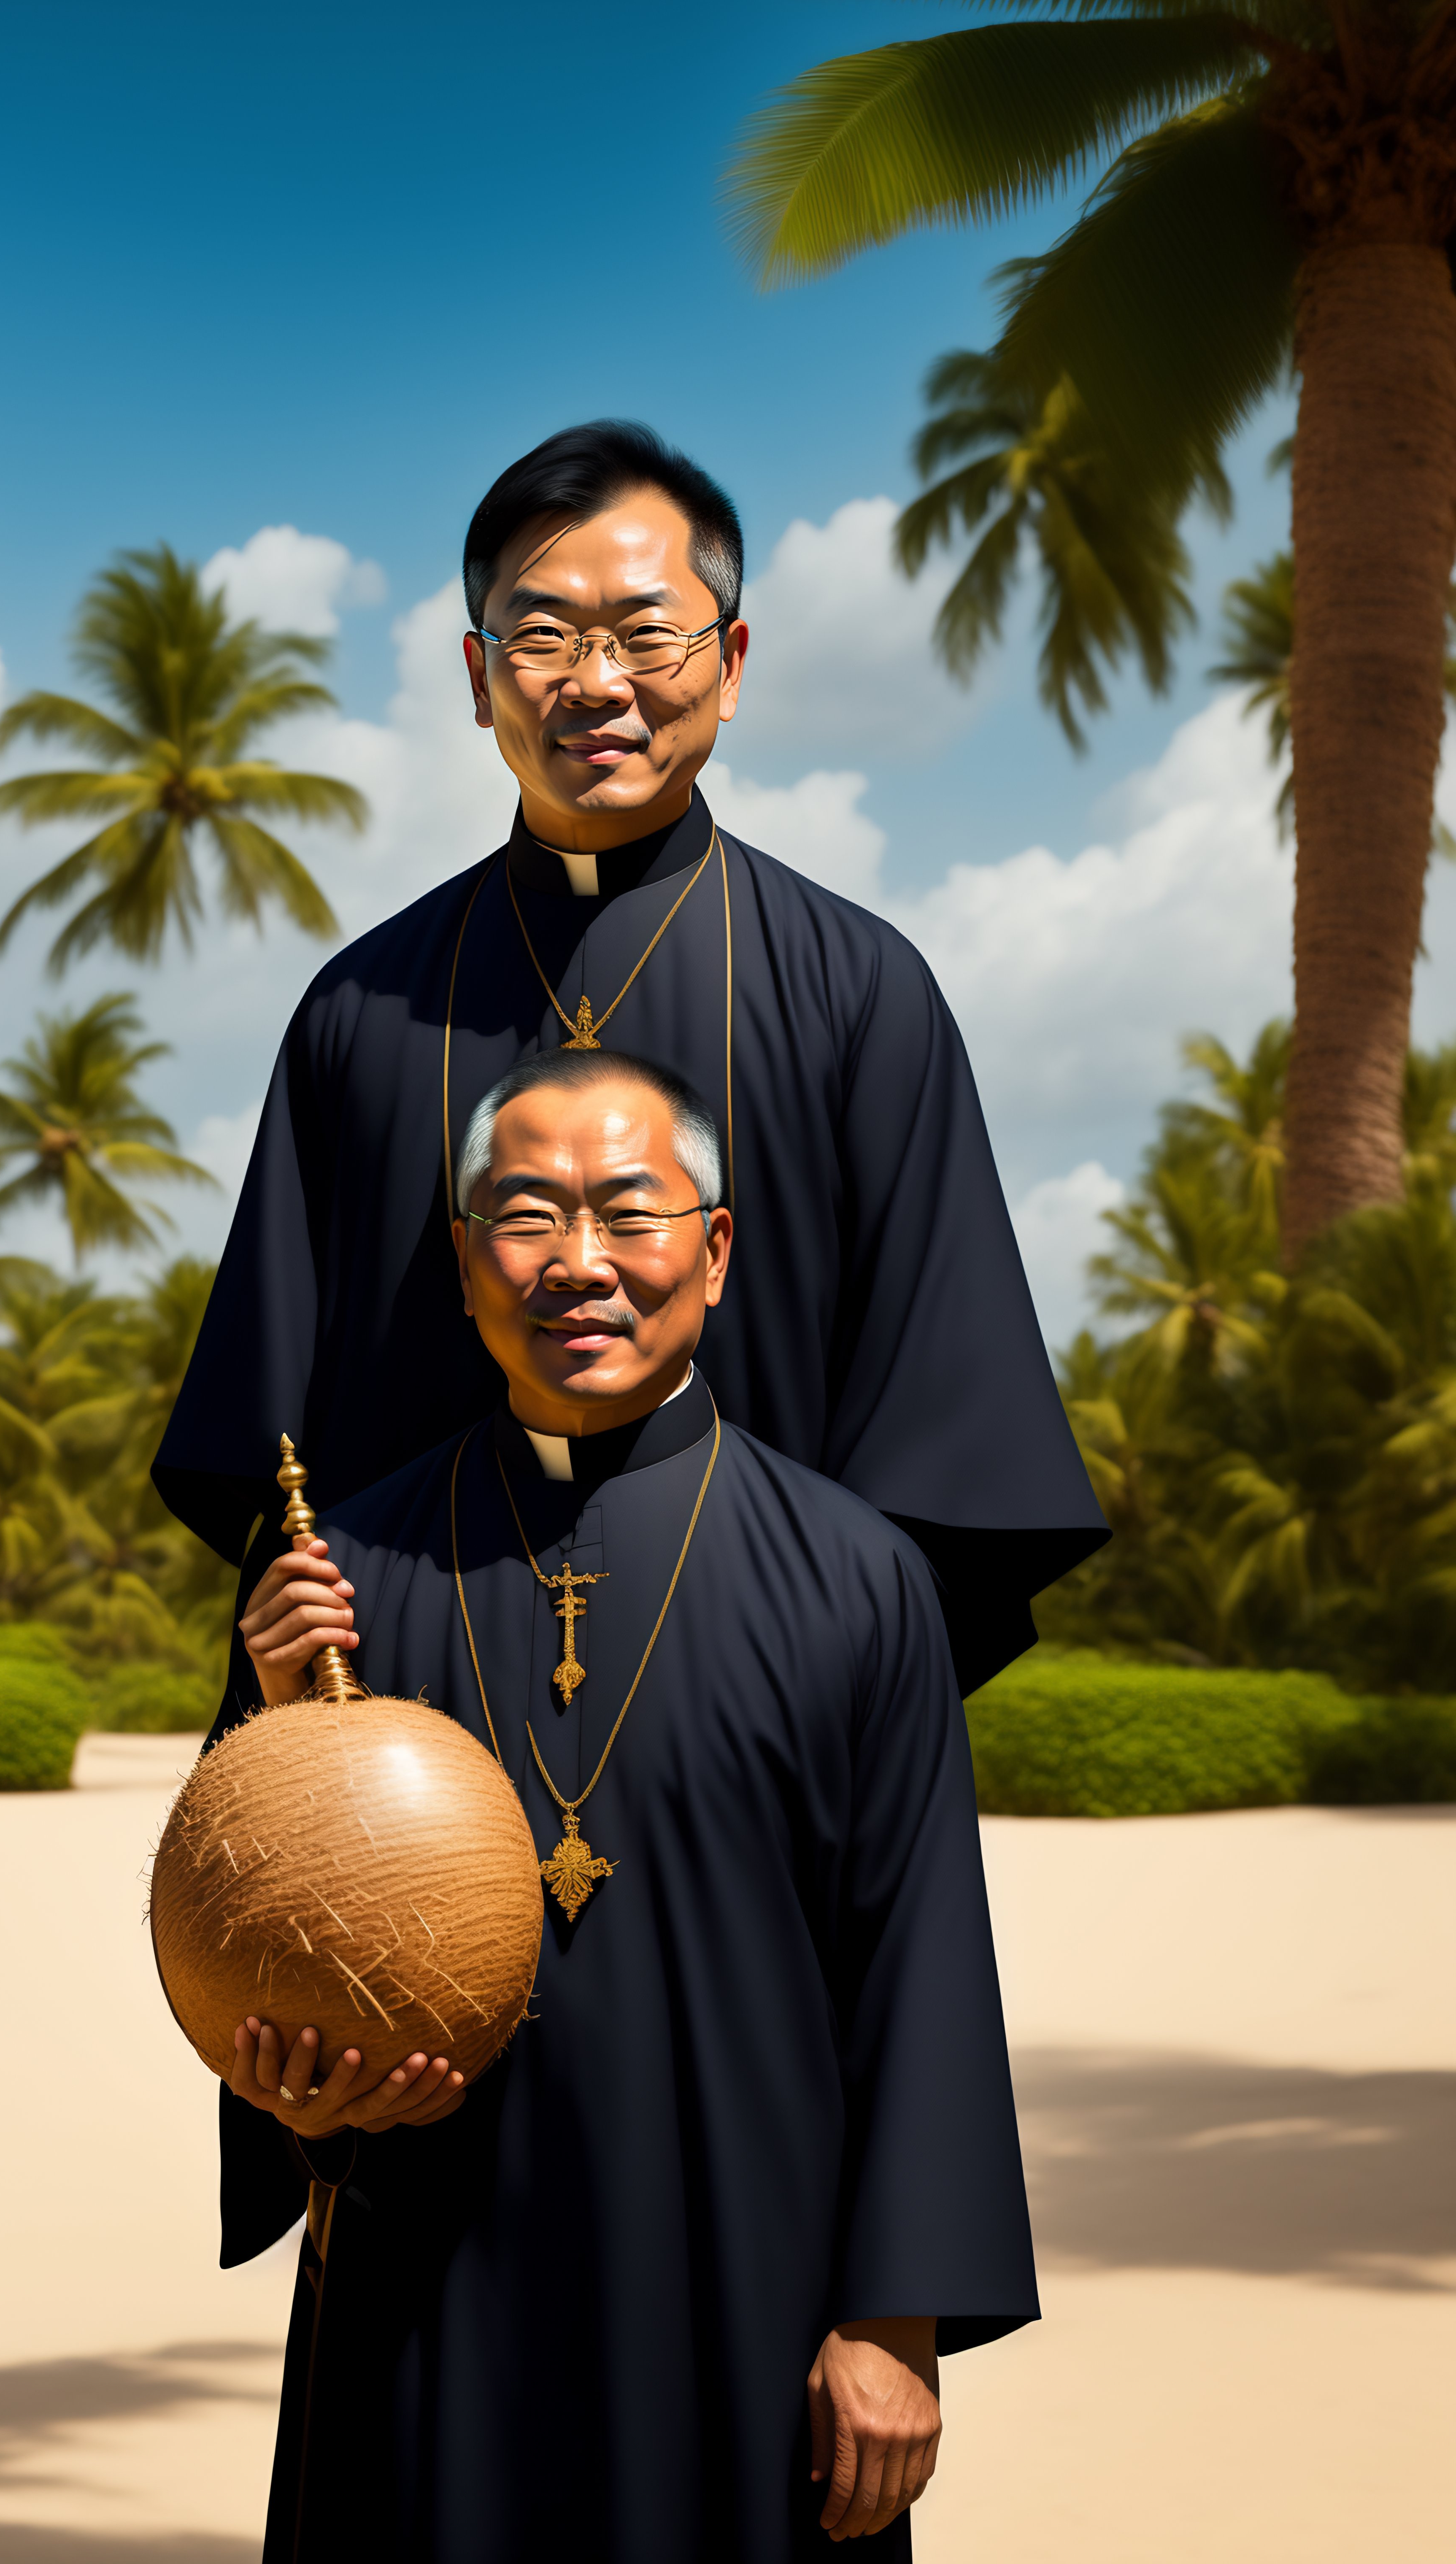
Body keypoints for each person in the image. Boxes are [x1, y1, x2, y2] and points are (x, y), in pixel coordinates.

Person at [216, 1050, 1038, 2564]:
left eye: (628, 1213)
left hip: (755, 2279)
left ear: (714, 1253)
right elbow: (261, 1942)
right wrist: (301, 2102)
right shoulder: (344, 1583)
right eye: (523, 1217)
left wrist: (896, 2320)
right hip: (430, 2273)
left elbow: (920, 1962)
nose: (577, 1262)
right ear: (465, 1263)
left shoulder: (859, 1576)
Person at [154, 421, 1105, 1702]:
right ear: (478, 673)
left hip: (761, 1728)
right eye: (540, 635)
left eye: (647, 633)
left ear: (732, 660)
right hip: (414, 1744)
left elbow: (945, 1446)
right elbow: (277, 1461)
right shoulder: (364, 1012)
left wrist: (829, 1704)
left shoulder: (859, 994)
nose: (595, 683)